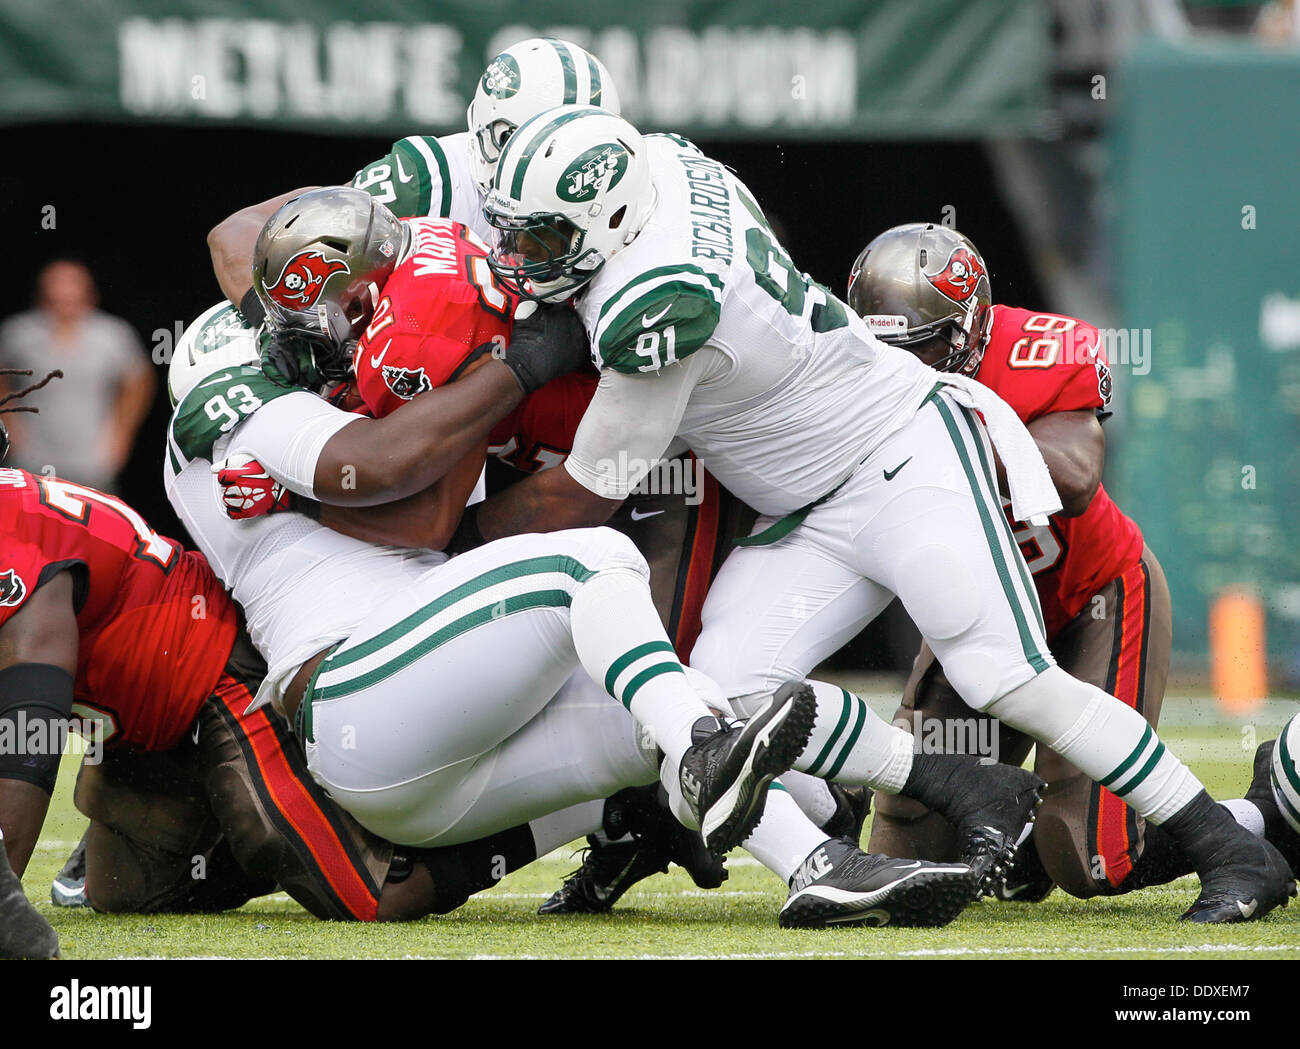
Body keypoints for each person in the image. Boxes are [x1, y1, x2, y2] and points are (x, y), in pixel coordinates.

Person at [471, 104, 1295, 922]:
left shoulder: (658, 302)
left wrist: (452, 537)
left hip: (900, 450)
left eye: (542, 238)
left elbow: (587, 489)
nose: (521, 257)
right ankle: (915, 809)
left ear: (613, 217)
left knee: (1003, 675)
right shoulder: (666, 168)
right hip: (817, 494)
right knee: (719, 702)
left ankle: (1235, 847)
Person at [846, 222, 1184, 901]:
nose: (903, 369)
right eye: (885, 351)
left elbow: (1076, 473)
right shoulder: (848, 386)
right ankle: (1015, 823)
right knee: (909, 849)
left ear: (971, 327)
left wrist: (953, 444)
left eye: (923, 346)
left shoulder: (1042, 352)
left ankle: (1253, 819)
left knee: (1088, 859)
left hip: (1094, 599)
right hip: (981, 618)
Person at [0, 260, 154, 491]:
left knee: (92, 522)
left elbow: (140, 381)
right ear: (43, 290)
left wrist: (121, 435)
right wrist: (11, 426)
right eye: (58, 284)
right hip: (31, 456)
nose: (65, 292)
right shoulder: (19, 332)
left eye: (72, 283)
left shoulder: (112, 334)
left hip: (92, 459)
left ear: (88, 290)